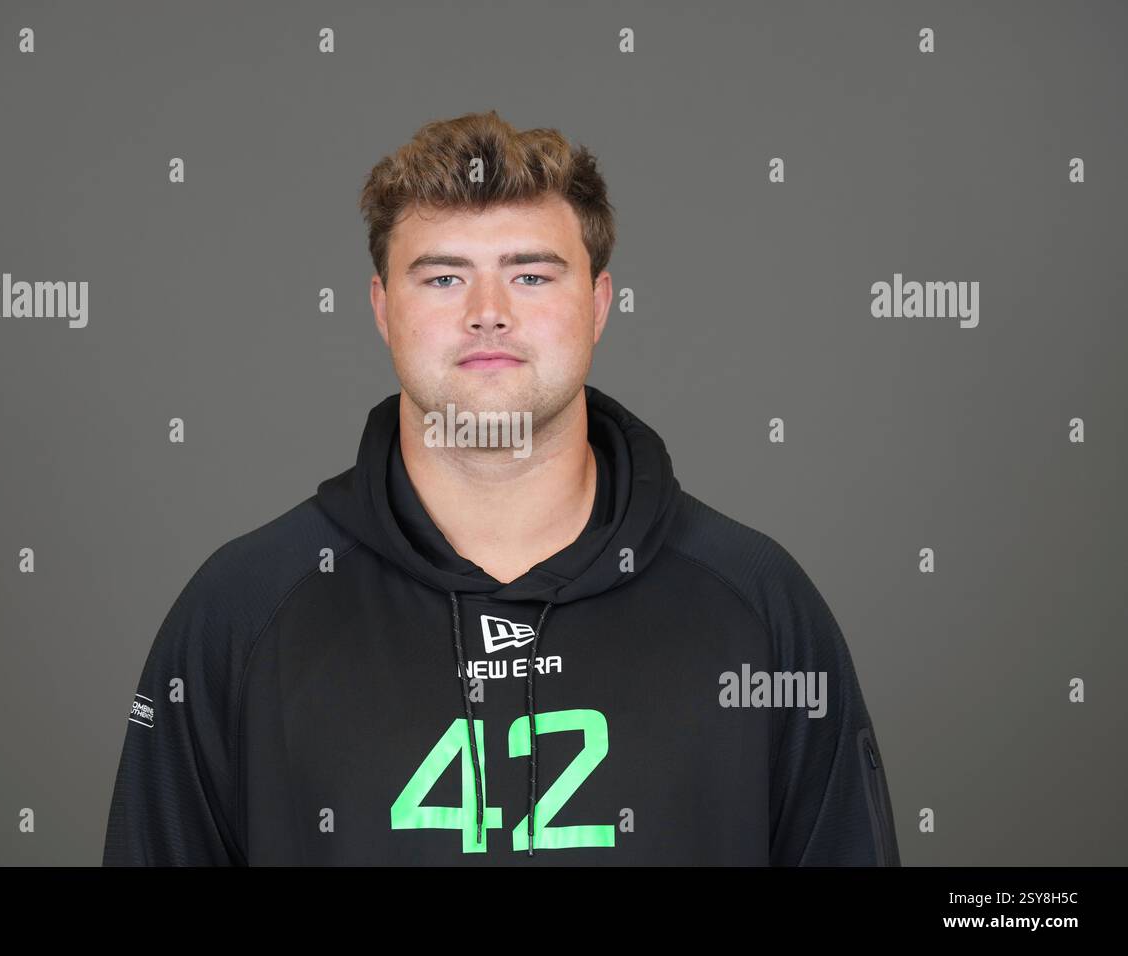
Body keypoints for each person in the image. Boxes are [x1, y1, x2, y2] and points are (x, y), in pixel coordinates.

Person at [101, 110, 901, 865]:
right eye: (443, 279)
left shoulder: (758, 606)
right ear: (383, 309)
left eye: (530, 275)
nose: (488, 313)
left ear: (598, 304)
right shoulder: (243, 611)